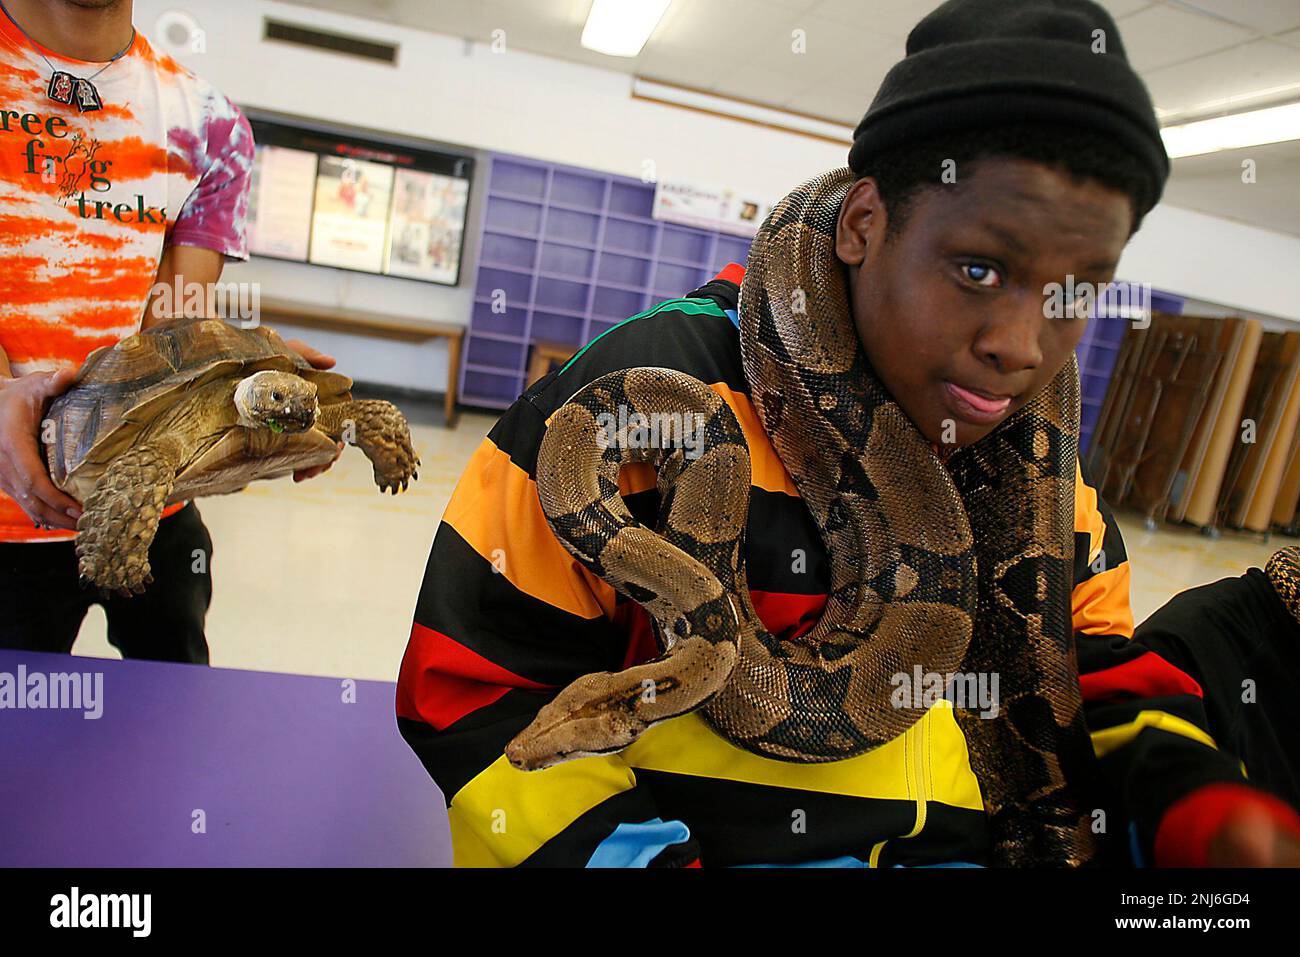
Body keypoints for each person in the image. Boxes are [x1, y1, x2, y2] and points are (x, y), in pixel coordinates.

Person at [396, 0, 1300, 867]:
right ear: (862, 223)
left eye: (1075, 295)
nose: (1022, 349)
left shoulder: (1055, 485)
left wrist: (1189, 798)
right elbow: (471, 695)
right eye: (979, 268)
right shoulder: (633, 405)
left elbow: (1082, 669)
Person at [0, 0, 335, 662]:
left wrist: (250, 370)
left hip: (152, 503)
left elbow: (174, 333)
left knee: (172, 729)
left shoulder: (208, 125)